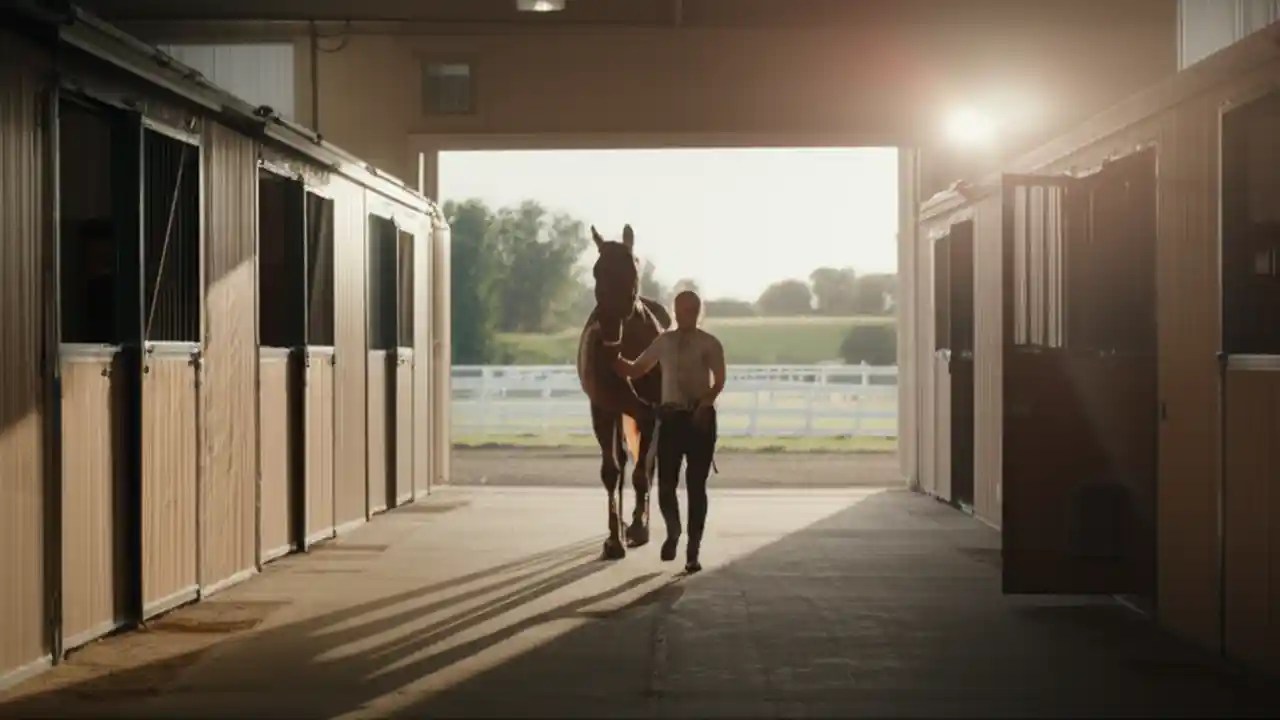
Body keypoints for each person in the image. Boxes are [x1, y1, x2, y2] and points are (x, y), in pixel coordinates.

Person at [613, 290, 726, 573]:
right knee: (665, 485)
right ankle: (674, 531)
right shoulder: (663, 342)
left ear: (699, 311)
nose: (685, 313)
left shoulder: (709, 343)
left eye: (690, 309)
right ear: (674, 310)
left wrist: (706, 402)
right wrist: (613, 360)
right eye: (680, 308)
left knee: (696, 486)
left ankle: (693, 551)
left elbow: (720, 380)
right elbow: (637, 368)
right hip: (671, 418)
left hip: (699, 419)